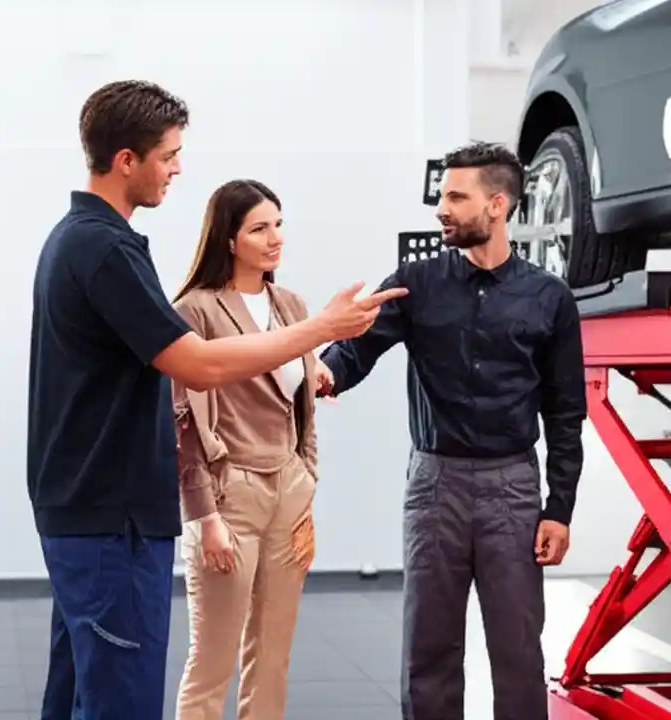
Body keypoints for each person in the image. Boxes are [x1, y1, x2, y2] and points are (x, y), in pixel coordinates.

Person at [27, 79, 408, 720]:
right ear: (127, 160)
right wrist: (322, 330)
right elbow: (196, 368)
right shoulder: (105, 250)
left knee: (81, 692)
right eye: (169, 155)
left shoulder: (77, 239)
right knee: (124, 697)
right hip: (112, 518)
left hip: (94, 509)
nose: (178, 168)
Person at [315, 141, 587, 720]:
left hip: (513, 487)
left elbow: (566, 412)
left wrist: (559, 507)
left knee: (517, 650)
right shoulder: (416, 283)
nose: (442, 208)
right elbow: (356, 350)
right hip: (434, 485)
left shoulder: (549, 297)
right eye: (441, 195)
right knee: (428, 648)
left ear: (496, 205)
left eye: (455, 197)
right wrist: (324, 373)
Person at [170, 179, 327, 720]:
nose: (275, 237)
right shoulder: (197, 310)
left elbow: (304, 402)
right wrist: (204, 516)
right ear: (229, 240)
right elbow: (184, 421)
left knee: (273, 659)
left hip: (288, 490)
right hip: (229, 495)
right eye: (260, 228)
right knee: (212, 663)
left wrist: (307, 482)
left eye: (278, 224)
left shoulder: (293, 304)